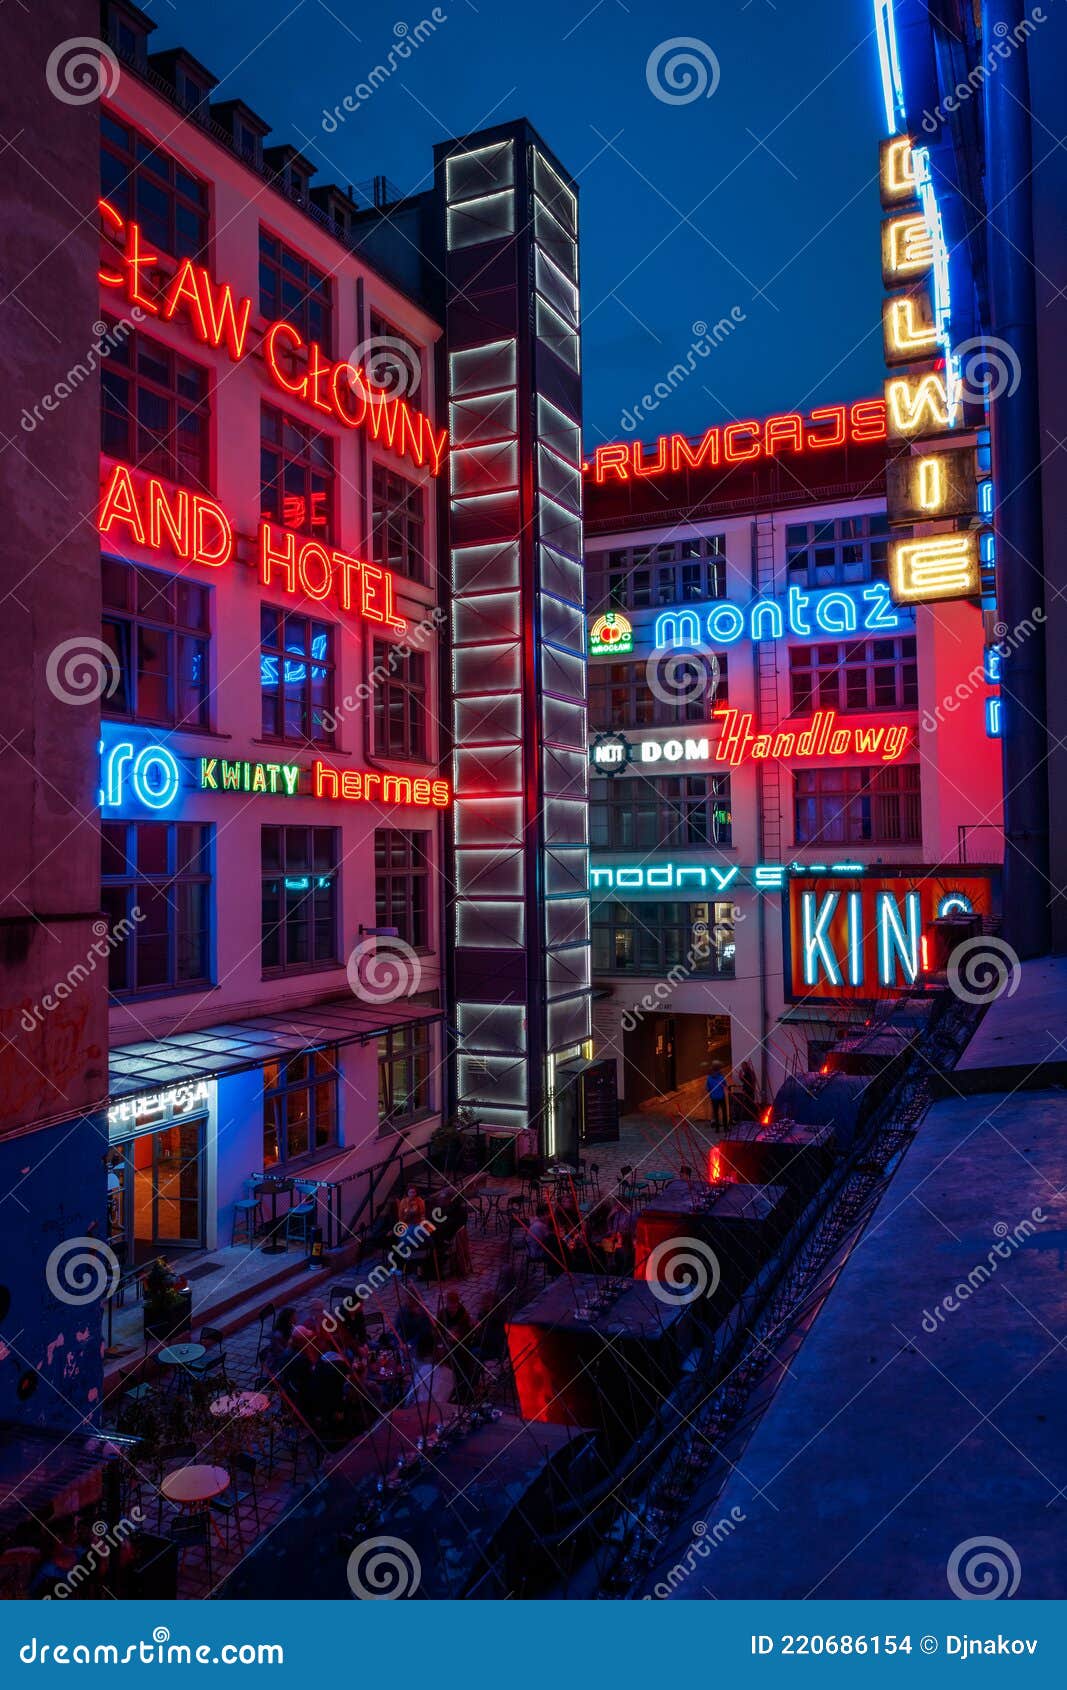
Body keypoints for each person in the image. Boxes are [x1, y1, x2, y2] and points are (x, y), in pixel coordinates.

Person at [705, 1061, 729, 1129]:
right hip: (721, 1097)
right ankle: (725, 1127)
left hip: (714, 1097)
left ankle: (717, 1128)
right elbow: (725, 1085)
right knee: (724, 1112)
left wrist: (711, 1091)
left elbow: (708, 1088)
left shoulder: (709, 1078)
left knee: (716, 1113)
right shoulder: (721, 1077)